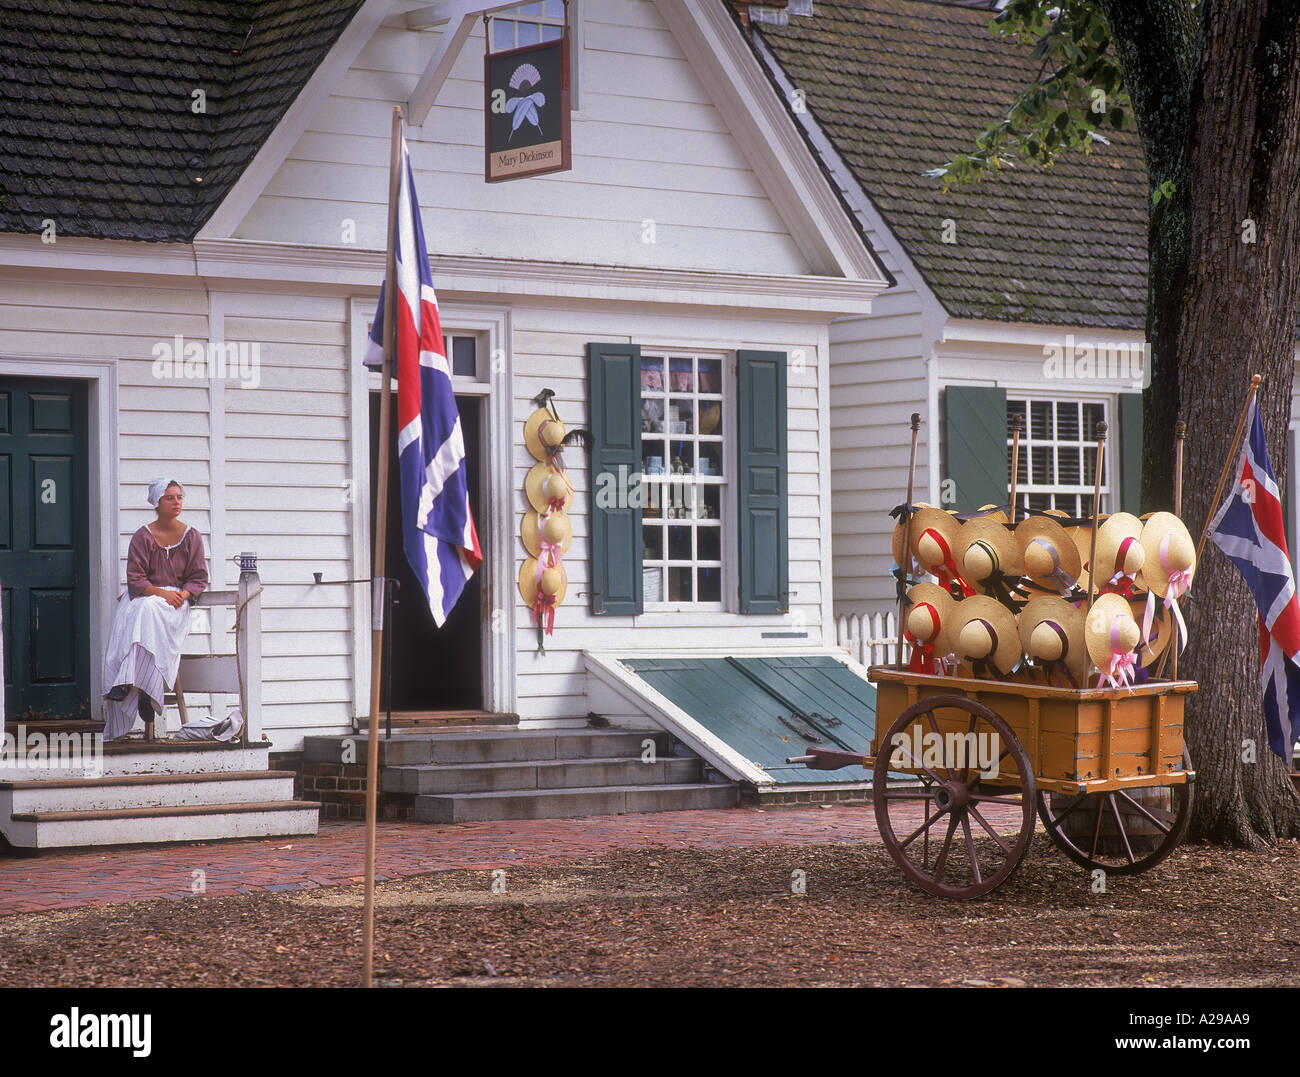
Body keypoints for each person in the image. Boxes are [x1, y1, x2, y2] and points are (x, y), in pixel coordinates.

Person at [102, 479, 208, 741]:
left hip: (174, 606)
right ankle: (145, 691)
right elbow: (136, 580)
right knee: (141, 610)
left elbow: (198, 577)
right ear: (157, 503)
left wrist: (182, 594)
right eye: (169, 498)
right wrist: (163, 593)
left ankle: (129, 684)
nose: (176, 502)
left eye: (179, 497)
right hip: (147, 596)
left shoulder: (191, 536)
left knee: (144, 613)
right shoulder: (143, 536)